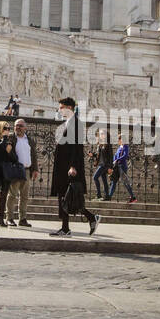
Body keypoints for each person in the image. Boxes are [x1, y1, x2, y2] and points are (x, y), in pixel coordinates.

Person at [50, 96, 99, 236]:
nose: (59, 110)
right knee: (64, 197)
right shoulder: (68, 122)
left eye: (61, 107)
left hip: (68, 167)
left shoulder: (75, 123)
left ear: (69, 108)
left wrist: (73, 166)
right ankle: (67, 227)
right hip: (62, 166)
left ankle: (87, 218)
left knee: (68, 197)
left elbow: (77, 148)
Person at [5, 118, 38, 226]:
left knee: (24, 196)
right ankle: (9, 218)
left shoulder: (29, 140)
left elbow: (33, 156)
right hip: (15, 169)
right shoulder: (10, 138)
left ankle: (22, 219)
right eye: (16, 125)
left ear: (25, 128)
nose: (18, 127)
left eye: (20, 125)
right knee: (12, 195)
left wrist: (35, 169)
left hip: (27, 171)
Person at [106, 134, 138, 203]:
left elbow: (125, 156)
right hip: (117, 167)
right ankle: (109, 196)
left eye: (119, 139)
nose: (118, 141)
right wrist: (114, 161)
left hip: (122, 167)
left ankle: (133, 197)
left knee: (125, 182)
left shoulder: (125, 146)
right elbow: (115, 155)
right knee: (113, 181)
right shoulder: (120, 147)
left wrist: (117, 160)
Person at [91, 131, 112, 199]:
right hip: (101, 164)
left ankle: (99, 194)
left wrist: (110, 167)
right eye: (101, 134)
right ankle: (107, 196)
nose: (101, 135)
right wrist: (92, 154)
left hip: (104, 165)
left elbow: (110, 156)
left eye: (102, 134)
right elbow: (98, 155)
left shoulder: (108, 144)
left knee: (95, 177)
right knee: (104, 180)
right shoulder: (101, 144)